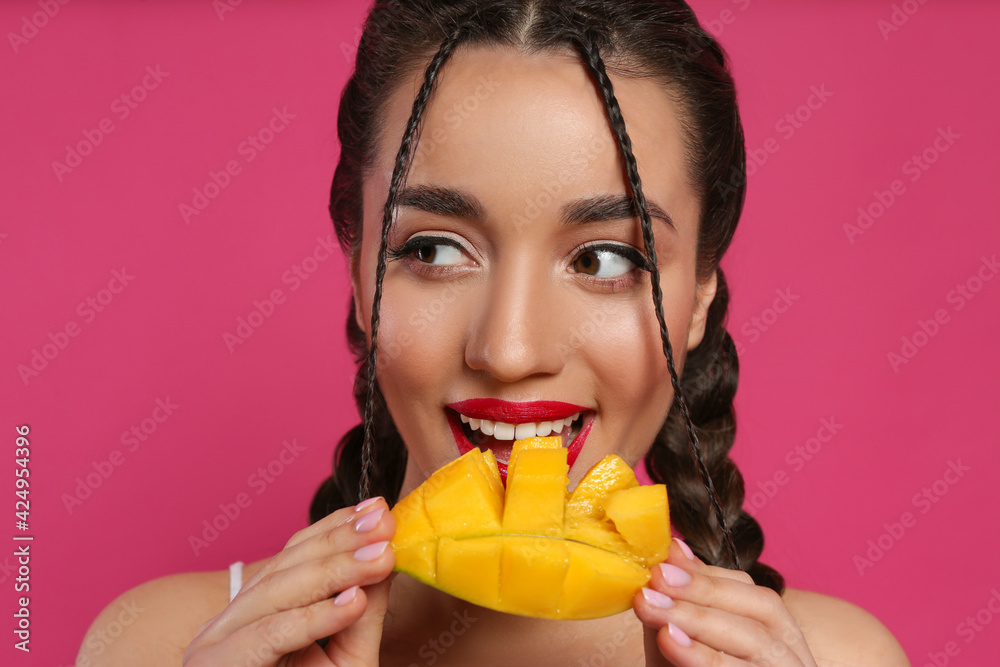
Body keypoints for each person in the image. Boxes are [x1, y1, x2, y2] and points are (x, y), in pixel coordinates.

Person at [80, 1, 911, 664]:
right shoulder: (156, 645)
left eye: (606, 257)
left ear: (696, 301)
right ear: (360, 275)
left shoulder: (842, 657)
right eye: (435, 249)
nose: (510, 349)